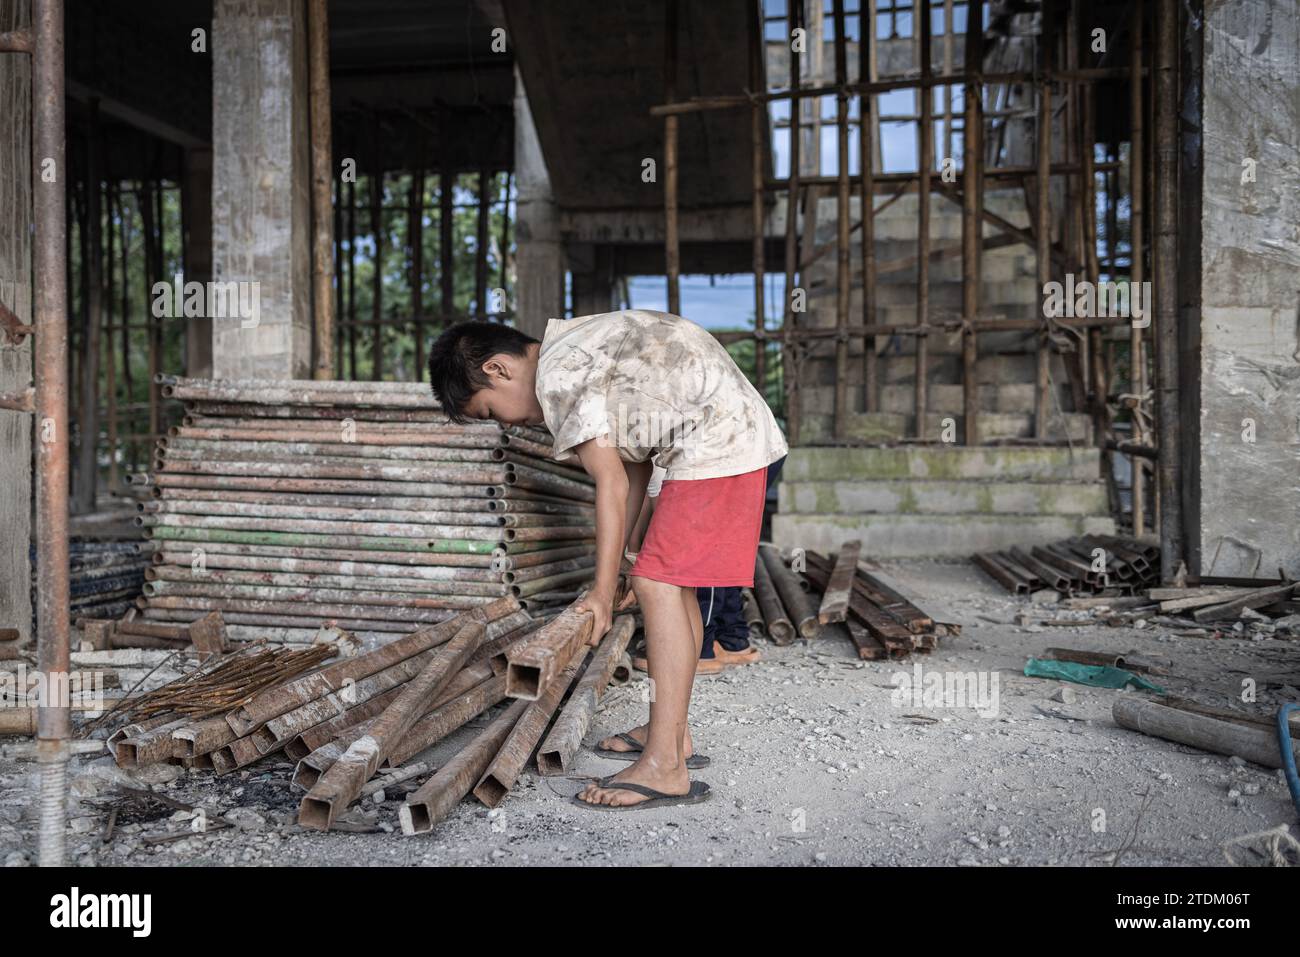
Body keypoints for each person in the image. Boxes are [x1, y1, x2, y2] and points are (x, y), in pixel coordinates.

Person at [427, 309, 787, 809]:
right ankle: (672, 737)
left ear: (497, 369)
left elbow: (610, 482)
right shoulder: (577, 348)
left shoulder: (557, 371)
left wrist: (599, 593)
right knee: (664, 583)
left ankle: (665, 767)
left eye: (490, 412)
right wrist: (624, 561)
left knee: (658, 586)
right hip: (722, 436)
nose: (505, 424)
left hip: (717, 442)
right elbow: (633, 467)